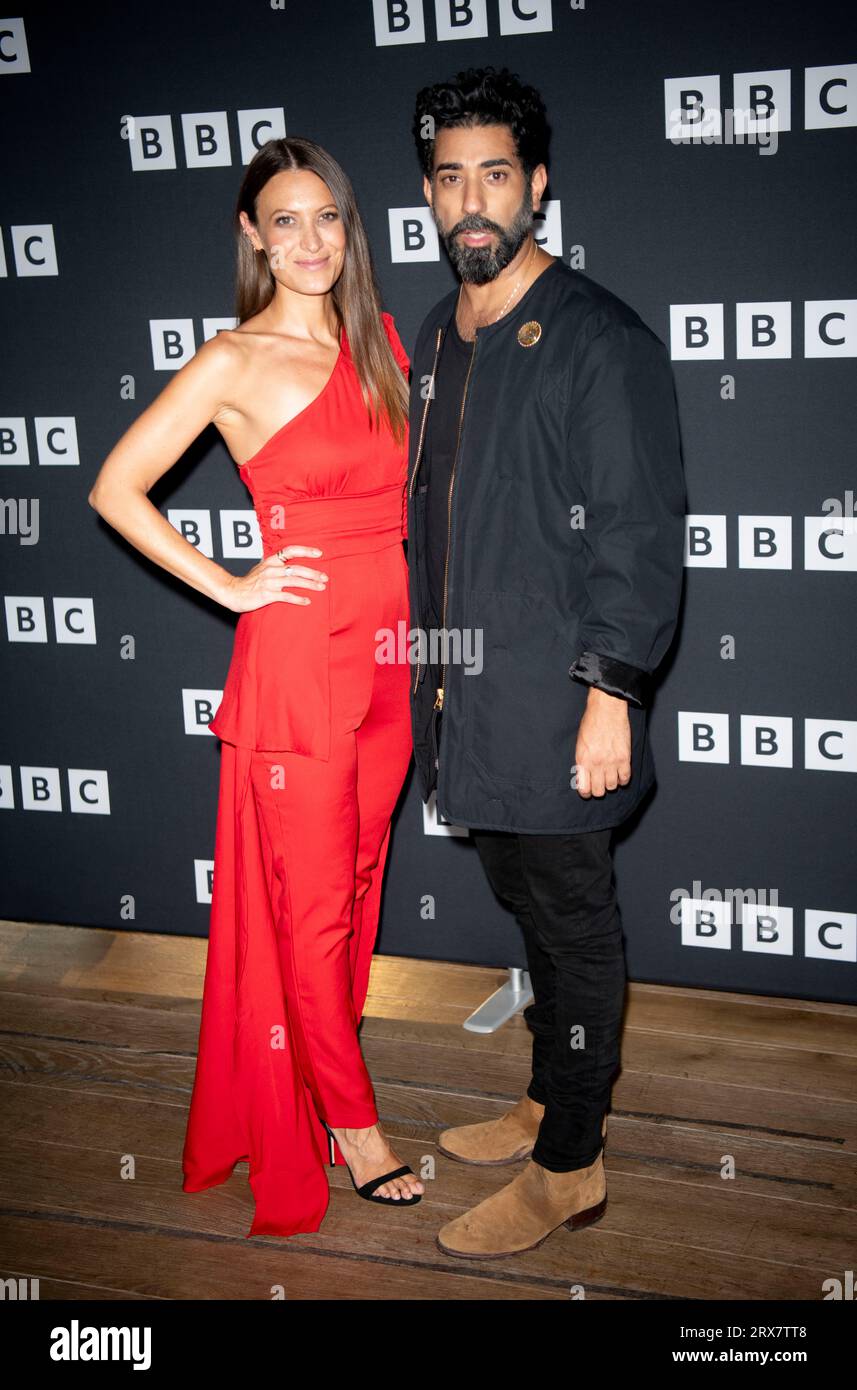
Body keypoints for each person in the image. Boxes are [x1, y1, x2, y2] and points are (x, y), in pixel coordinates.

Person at [88, 137, 424, 1238]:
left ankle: (325, 1090)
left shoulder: (378, 341)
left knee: (360, 886)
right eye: (285, 219)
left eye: (327, 216)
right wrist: (232, 586)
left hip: (390, 658)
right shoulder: (232, 360)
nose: (312, 240)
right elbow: (116, 488)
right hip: (297, 664)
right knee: (314, 911)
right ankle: (355, 1126)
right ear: (251, 234)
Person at [405, 68, 686, 1258]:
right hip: (467, 692)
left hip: (560, 698)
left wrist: (610, 691)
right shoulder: (436, 327)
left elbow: (634, 531)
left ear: (538, 183)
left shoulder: (595, 334)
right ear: (427, 192)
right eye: (450, 177)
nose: (474, 201)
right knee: (524, 908)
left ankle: (570, 1162)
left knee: (571, 928)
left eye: (497, 175)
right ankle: (543, 1100)